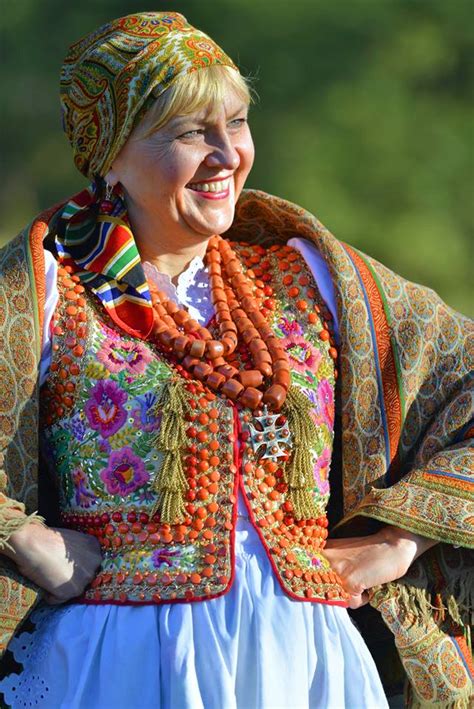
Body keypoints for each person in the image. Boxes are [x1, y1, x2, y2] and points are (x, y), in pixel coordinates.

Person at [0, 11, 472, 709]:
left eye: (238, 122)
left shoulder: (311, 276)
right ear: (110, 152)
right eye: (191, 132)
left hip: (310, 667)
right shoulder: (43, 289)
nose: (228, 155)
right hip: (116, 667)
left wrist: (397, 542)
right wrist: (22, 535)